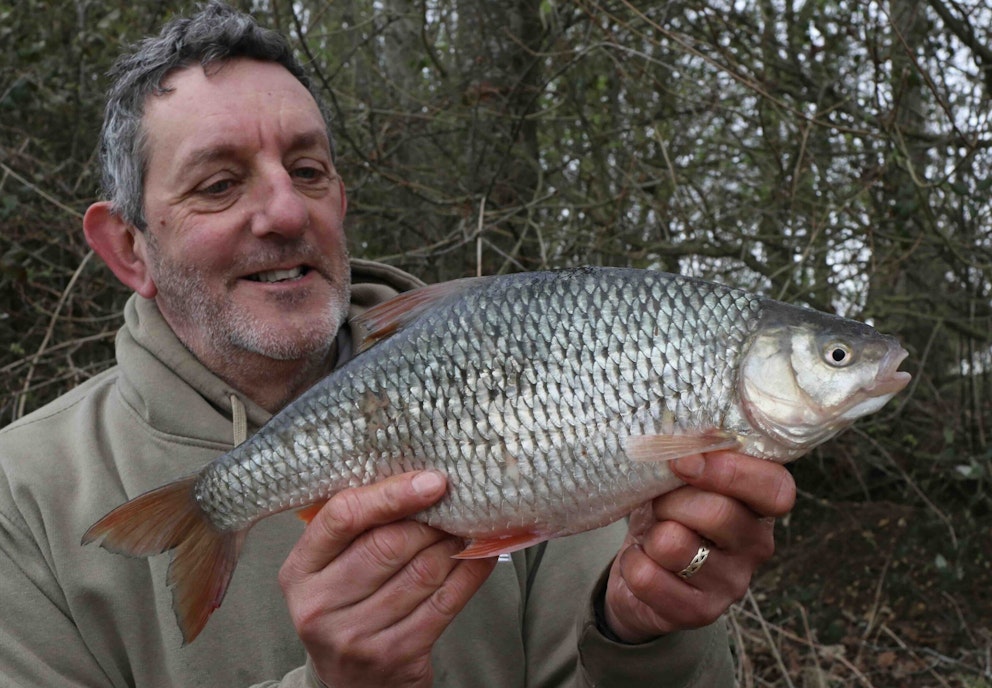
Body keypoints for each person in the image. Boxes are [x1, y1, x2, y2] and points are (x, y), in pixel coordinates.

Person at [0, 2, 796, 686]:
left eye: (308, 170)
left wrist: (645, 637)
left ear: (340, 200)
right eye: (219, 184)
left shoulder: (551, 395)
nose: (284, 212)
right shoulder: (24, 497)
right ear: (127, 248)